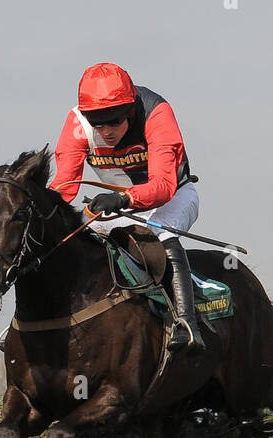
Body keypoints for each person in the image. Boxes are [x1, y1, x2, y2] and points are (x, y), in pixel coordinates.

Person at [51, 62, 205, 353]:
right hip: (116, 205)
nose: (106, 132)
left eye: (114, 121)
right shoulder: (76, 122)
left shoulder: (156, 113)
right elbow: (64, 186)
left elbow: (163, 186)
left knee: (158, 237)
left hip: (172, 198)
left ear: (131, 110)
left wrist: (123, 199)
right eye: (98, 123)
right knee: (70, 242)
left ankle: (186, 322)